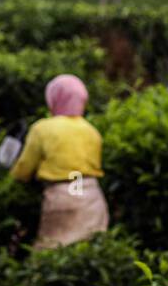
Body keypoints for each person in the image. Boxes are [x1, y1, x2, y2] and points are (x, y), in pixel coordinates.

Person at [10, 74, 109, 249]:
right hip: (91, 196)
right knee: (88, 252)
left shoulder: (42, 128)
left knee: (50, 250)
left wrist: (13, 177)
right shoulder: (92, 131)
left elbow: (24, 169)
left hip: (62, 196)